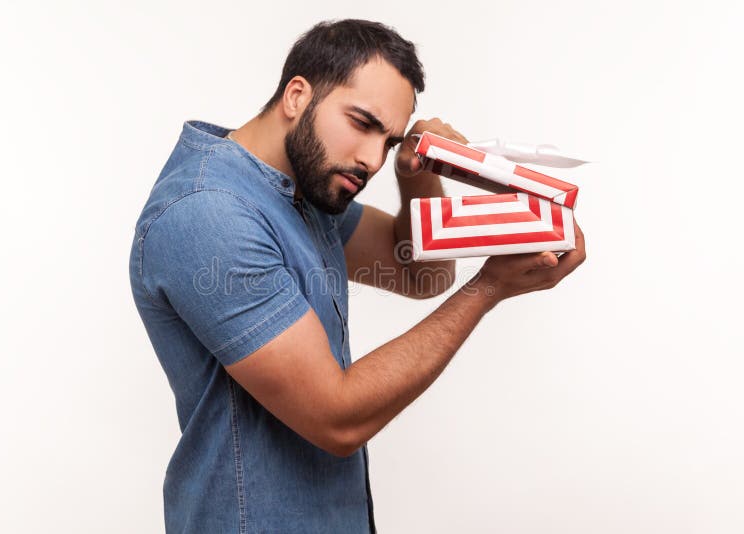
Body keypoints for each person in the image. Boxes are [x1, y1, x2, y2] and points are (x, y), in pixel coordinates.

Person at [129, 18, 586, 534]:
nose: (372, 158)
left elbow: (420, 274)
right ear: (297, 95)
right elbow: (337, 417)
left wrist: (418, 175)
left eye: (389, 141)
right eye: (362, 122)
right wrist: (488, 289)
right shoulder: (211, 213)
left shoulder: (301, 188)